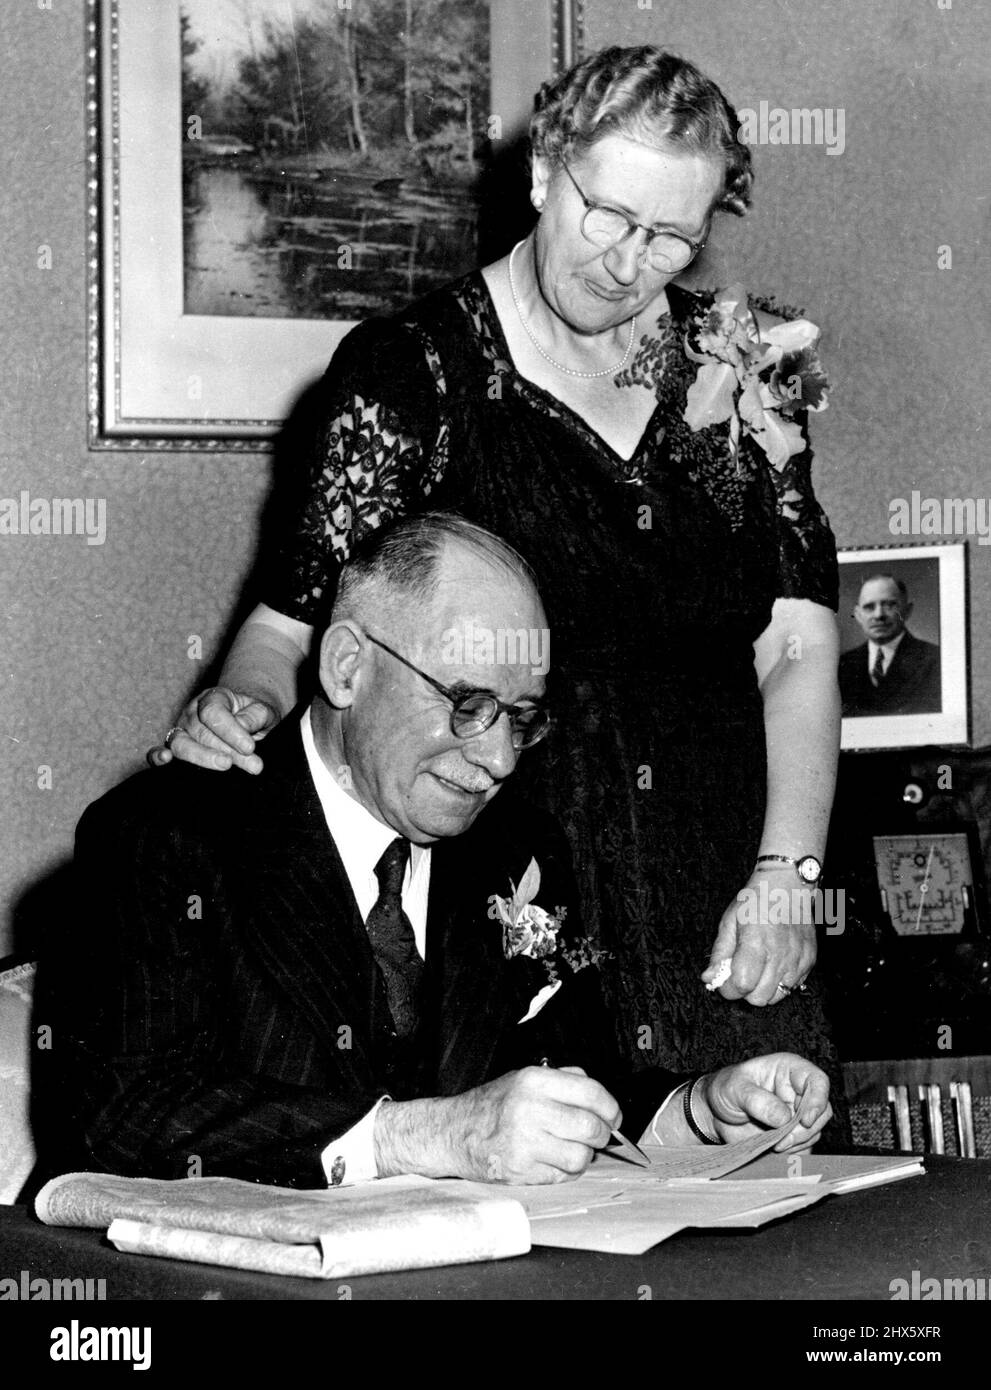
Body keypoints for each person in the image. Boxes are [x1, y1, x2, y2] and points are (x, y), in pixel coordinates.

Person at [150, 46, 843, 1087]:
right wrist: (236, 707)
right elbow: (290, 629)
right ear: (540, 174)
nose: (626, 263)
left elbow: (795, 643)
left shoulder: (747, 368)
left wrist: (787, 875)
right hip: (510, 924)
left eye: (670, 238)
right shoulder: (412, 374)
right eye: (604, 215)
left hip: (730, 926)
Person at [34, 515, 831, 1188]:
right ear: (347, 665)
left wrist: (697, 1110)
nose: (499, 760)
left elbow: (573, 1078)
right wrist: (421, 1138)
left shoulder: (521, 847)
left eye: (520, 717)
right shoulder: (161, 836)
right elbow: (121, 1117)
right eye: (466, 703)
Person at [839, 574, 941, 717]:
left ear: (907, 611)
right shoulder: (842, 666)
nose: (879, 615)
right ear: (858, 614)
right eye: (869, 607)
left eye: (890, 605)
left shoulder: (937, 661)